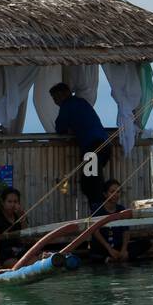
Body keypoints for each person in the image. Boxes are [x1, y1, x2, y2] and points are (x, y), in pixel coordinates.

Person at [50, 81, 111, 212]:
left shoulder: (67, 105)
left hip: (93, 148)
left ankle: (99, 216)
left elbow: (60, 127)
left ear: (64, 94)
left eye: (56, 98)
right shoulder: (81, 102)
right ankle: (99, 213)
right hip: (105, 146)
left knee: (91, 184)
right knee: (92, 181)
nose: (55, 101)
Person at [88, 178, 150, 262]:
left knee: (145, 243)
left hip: (118, 246)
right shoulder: (97, 209)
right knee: (94, 253)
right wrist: (109, 249)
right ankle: (111, 259)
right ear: (105, 194)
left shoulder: (121, 209)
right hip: (104, 247)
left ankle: (119, 257)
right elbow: (95, 231)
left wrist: (124, 250)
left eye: (118, 192)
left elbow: (126, 231)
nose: (115, 195)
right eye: (112, 192)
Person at [0, 186, 25, 267]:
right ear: (3, 203)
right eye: (9, 202)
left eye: (15, 202)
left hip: (20, 252)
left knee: (35, 260)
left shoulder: (19, 216)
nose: (13, 205)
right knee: (17, 264)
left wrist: (22, 217)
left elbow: (25, 237)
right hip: (5, 255)